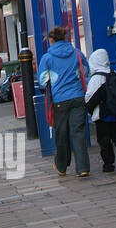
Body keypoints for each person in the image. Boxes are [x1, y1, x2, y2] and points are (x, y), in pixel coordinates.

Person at [38, 26, 91, 177]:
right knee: (78, 132)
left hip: (60, 99)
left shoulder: (47, 58)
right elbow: (85, 71)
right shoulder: (76, 53)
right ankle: (83, 168)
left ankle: (61, 166)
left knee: (61, 133)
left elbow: (42, 81)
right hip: (78, 97)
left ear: (52, 40)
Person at [84, 49, 116, 173]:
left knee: (104, 141)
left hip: (102, 116)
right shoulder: (113, 73)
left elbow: (91, 98)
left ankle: (108, 164)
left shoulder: (96, 78)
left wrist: (88, 109)